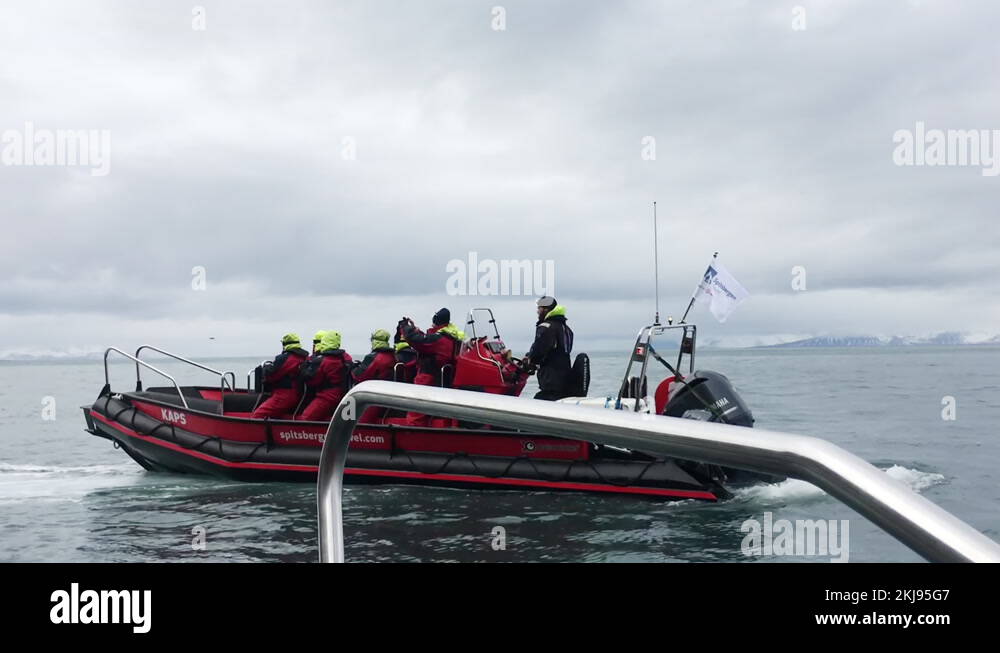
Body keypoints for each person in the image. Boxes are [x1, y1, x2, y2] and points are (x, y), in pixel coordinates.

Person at [397, 308, 465, 424]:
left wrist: (404, 327)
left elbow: (416, 340)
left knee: (416, 411)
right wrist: (415, 329)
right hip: (444, 381)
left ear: (437, 322)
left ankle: (412, 433)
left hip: (429, 379)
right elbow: (427, 340)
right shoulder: (452, 336)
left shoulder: (439, 339)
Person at [524, 296, 575, 400]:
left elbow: (539, 351)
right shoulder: (567, 329)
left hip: (551, 382)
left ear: (546, 309)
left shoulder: (546, 326)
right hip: (565, 381)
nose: (537, 311)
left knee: (539, 401)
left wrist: (530, 361)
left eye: (539, 308)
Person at [297, 331, 354, 421]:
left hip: (327, 396)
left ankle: (307, 434)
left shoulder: (323, 360)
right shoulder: (344, 358)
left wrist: (303, 369)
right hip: (344, 395)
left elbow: (313, 379)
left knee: (306, 418)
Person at [251, 333, 310, 419]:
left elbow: (273, 375)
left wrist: (266, 371)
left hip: (284, 395)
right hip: (299, 394)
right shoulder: (305, 357)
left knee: (257, 416)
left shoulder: (285, 358)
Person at [352, 329, 397, 423]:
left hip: (374, 396)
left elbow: (360, 376)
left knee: (358, 422)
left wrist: (354, 369)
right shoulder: (393, 356)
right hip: (390, 394)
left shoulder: (373, 357)